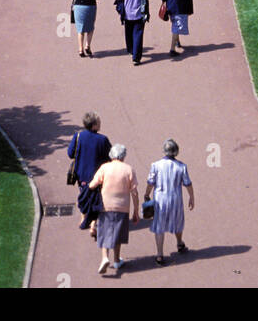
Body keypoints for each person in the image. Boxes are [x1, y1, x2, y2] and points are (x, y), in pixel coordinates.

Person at [89, 144, 139, 274]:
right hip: (122, 206)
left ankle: (105, 257)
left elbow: (93, 184)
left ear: (111, 155)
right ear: (123, 156)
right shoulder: (129, 169)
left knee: (104, 231)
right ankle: (117, 260)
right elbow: (134, 192)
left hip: (105, 205)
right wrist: (136, 211)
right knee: (118, 233)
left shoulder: (104, 167)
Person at [143, 139, 194, 265]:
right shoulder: (181, 166)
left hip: (160, 200)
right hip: (175, 199)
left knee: (159, 227)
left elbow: (150, 182)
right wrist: (191, 197)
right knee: (177, 221)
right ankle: (179, 243)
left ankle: (160, 255)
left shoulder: (156, 165)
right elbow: (187, 183)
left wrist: (146, 194)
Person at [67, 110, 111, 237]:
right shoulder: (102, 139)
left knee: (83, 195)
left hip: (81, 174)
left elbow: (70, 154)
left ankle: (84, 217)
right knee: (96, 198)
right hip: (97, 175)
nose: (100, 124)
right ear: (94, 125)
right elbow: (109, 156)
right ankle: (93, 224)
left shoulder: (78, 136)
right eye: (98, 122)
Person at [115, 0, 151, 65]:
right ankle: (136, 57)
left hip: (127, 13)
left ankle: (131, 50)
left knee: (129, 33)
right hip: (140, 12)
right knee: (138, 34)